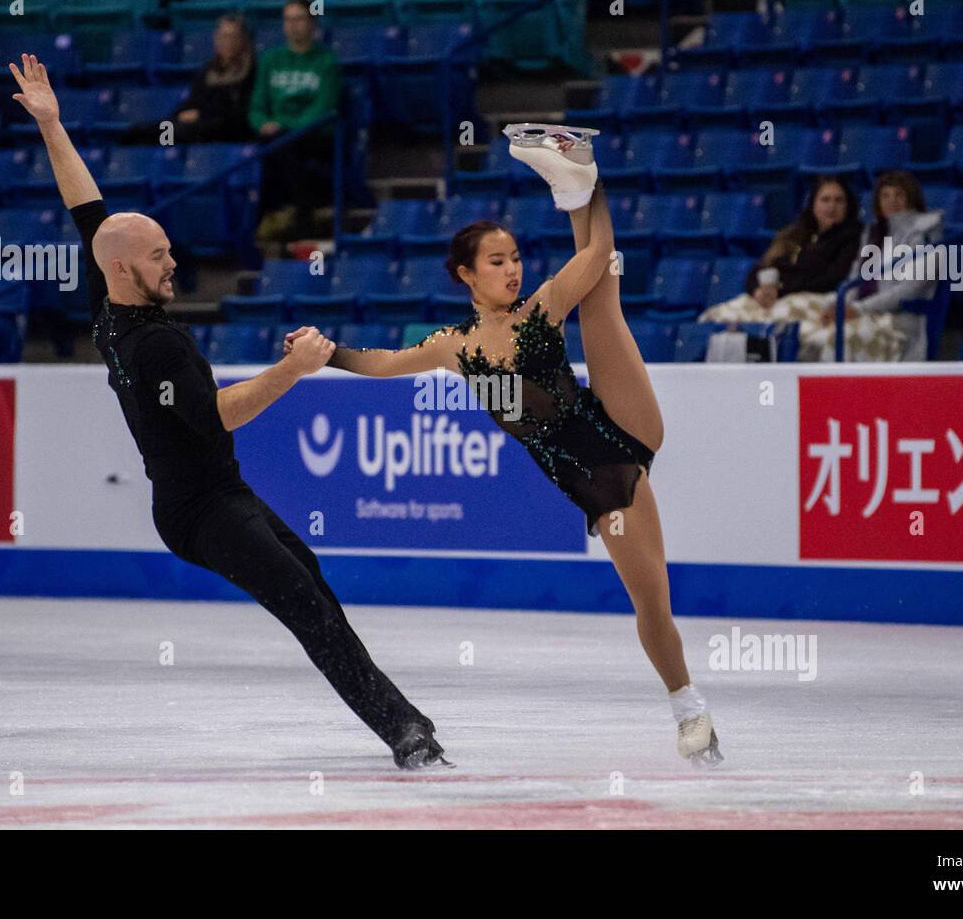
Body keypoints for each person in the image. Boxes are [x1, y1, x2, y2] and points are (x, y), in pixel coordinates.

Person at [8, 53, 446, 770]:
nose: (172, 263)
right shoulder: (154, 347)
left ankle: (404, 715)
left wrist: (53, 125)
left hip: (214, 494)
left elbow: (85, 207)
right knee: (307, 609)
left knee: (315, 591)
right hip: (199, 509)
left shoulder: (109, 297)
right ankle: (404, 734)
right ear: (125, 268)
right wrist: (295, 369)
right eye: (159, 256)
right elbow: (219, 417)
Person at [290, 126, 724, 766]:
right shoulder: (455, 346)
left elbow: (601, 247)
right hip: (590, 478)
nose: (513, 268)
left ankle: (579, 174)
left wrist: (594, 201)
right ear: (466, 274)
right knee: (650, 600)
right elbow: (384, 363)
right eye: (497, 261)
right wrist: (328, 355)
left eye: (516, 257)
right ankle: (574, 175)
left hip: (618, 441)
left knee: (602, 294)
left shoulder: (541, 310)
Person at [699, 175, 864, 360]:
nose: (831, 206)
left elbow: (834, 278)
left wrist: (782, 289)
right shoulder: (793, 234)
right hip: (773, 297)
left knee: (776, 325)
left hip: (812, 299)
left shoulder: (854, 237)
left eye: (838, 200)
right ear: (813, 204)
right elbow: (758, 271)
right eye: (825, 199)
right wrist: (758, 290)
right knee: (716, 317)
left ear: (848, 205)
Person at [817, 171, 943, 362]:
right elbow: (855, 280)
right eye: (885, 196)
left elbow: (912, 289)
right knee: (807, 328)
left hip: (899, 321)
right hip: (864, 313)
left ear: (912, 197)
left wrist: (860, 309)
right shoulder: (873, 233)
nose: (891, 201)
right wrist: (839, 306)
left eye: (899, 194)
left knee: (838, 338)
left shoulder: (926, 233)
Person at [250, 0, 340, 243]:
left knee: (281, 148)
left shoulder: (326, 61)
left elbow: (323, 108)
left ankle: (291, 215)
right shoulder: (271, 60)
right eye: (288, 20)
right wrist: (263, 123)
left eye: (299, 19)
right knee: (268, 148)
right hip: (277, 135)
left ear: (313, 23)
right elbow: (257, 107)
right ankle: (299, 212)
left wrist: (286, 128)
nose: (293, 25)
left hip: (314, 134)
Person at [124, 15, 255, 146]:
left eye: (232, 37)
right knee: (139, 133)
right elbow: (192, 100)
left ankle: (169, 150)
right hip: (195, 126)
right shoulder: (208, 70)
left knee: (171, 135)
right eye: (222, 36)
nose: (226, 42)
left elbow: (240, 114)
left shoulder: (250, 71)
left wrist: (201, 114)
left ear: (242, 40)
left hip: (222, 131)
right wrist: (177, 117)